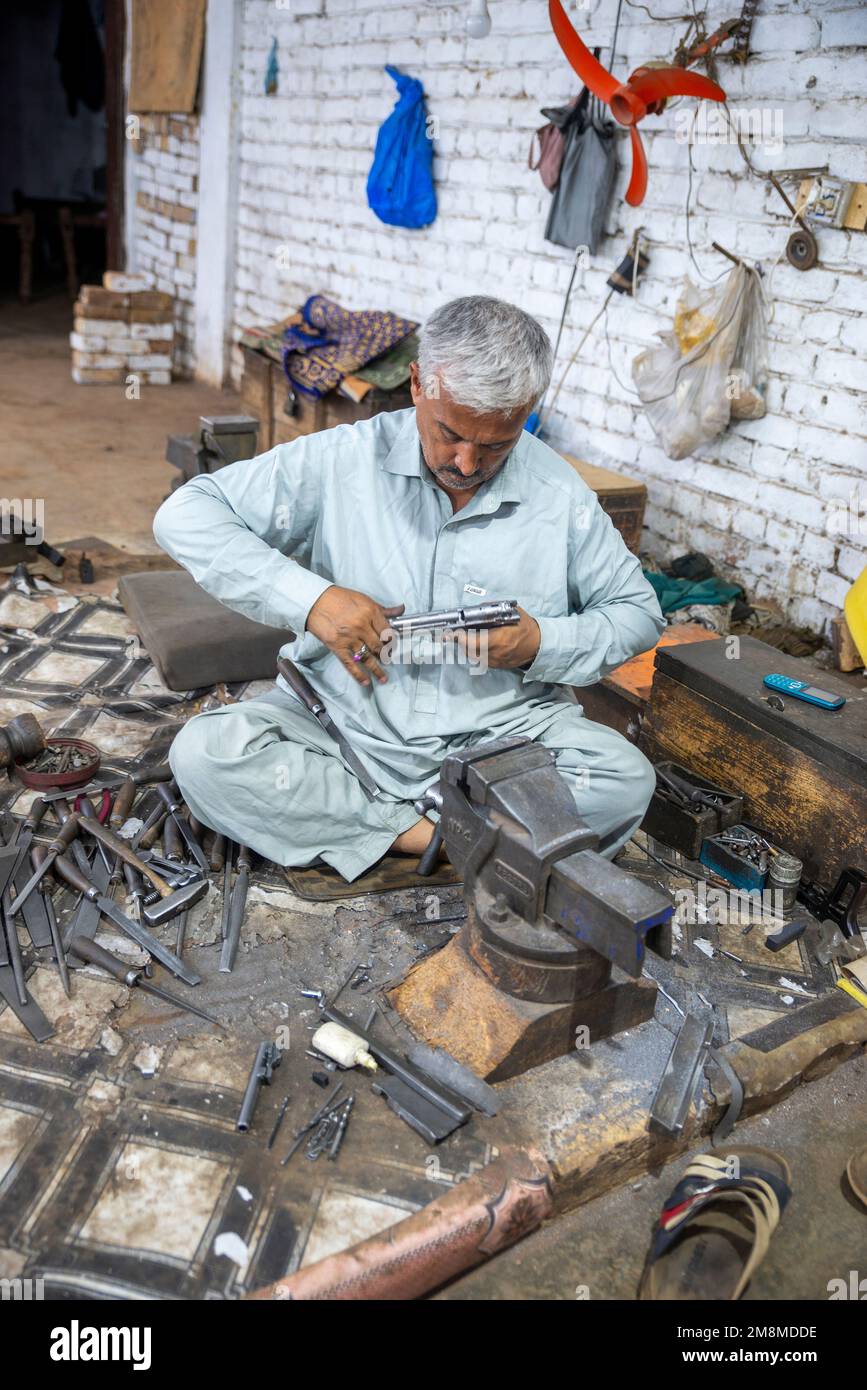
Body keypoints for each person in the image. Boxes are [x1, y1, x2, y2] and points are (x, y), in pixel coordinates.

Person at [153, 296, 664, 881]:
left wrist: (538, 643)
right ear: (418, 384)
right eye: (450, 433)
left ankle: (381, 829)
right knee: (206, 754)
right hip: (343, 727)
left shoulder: (560, 492)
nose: (467, 463)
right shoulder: (343, 458)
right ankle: (439, 839)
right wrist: (313, 601)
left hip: (503, 738)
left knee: (624, 780)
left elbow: (638, 614)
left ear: (529, 409)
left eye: (496, 444)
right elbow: (186, 513)